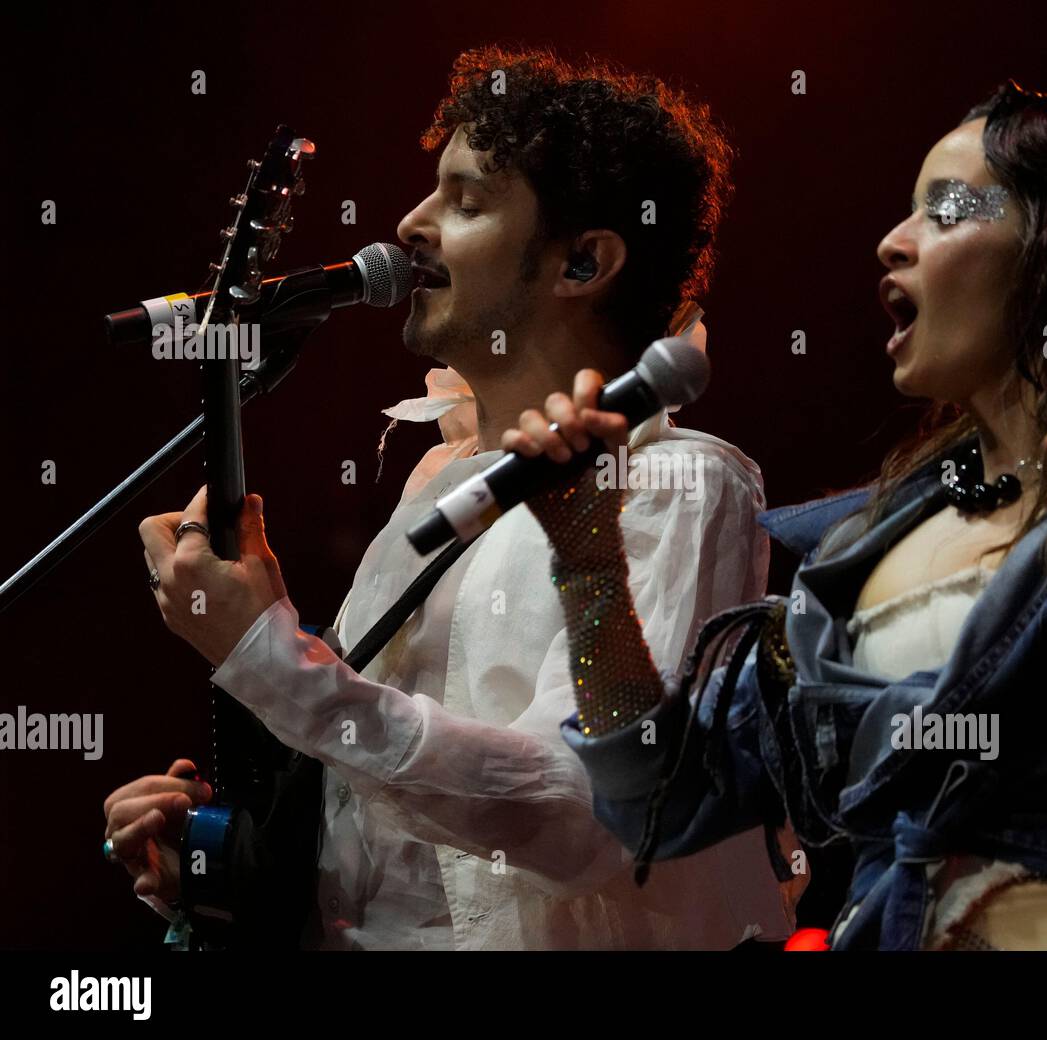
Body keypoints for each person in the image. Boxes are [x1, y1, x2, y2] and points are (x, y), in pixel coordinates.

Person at [507, 81, 1047, 950]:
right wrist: (588, 565)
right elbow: (657, 796)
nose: (891, 243)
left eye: (948, 212)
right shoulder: (853, 554)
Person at [104, 46, 790, 950]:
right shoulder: (438, 476)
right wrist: (218, 860)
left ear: (583, 261)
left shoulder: (676, 481)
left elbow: (583, 812)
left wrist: (267, 657)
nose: (409, 225)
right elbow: (380, 842)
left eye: (466, 202)